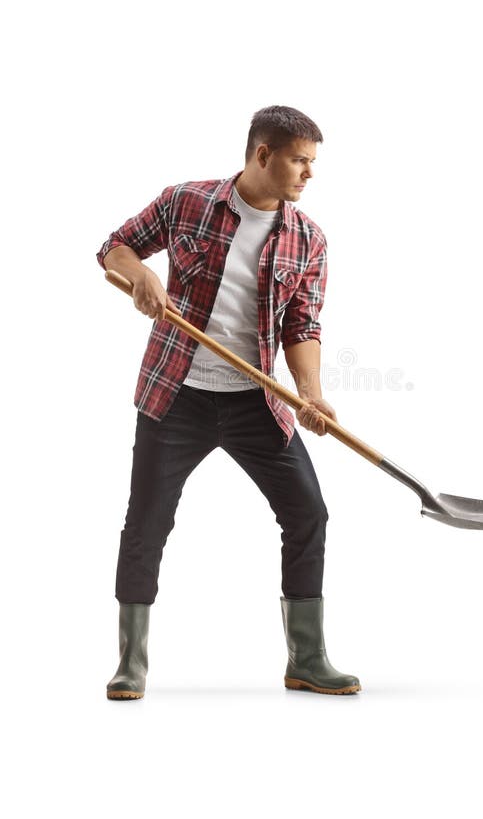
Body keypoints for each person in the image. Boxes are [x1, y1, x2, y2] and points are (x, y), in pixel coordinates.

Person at [97, 105, 360, 700]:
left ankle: (308, 657)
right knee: (146, 522)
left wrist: (311, 397)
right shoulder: (186, 201)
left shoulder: (308, 239)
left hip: (255, 403)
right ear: (262, 154)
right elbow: (114, 248)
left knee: (308, 513)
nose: (308, 175)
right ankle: (130, 663)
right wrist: (139, 274)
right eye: (300, 160)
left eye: (313, 163)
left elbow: (304, 325)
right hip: (175, 394)